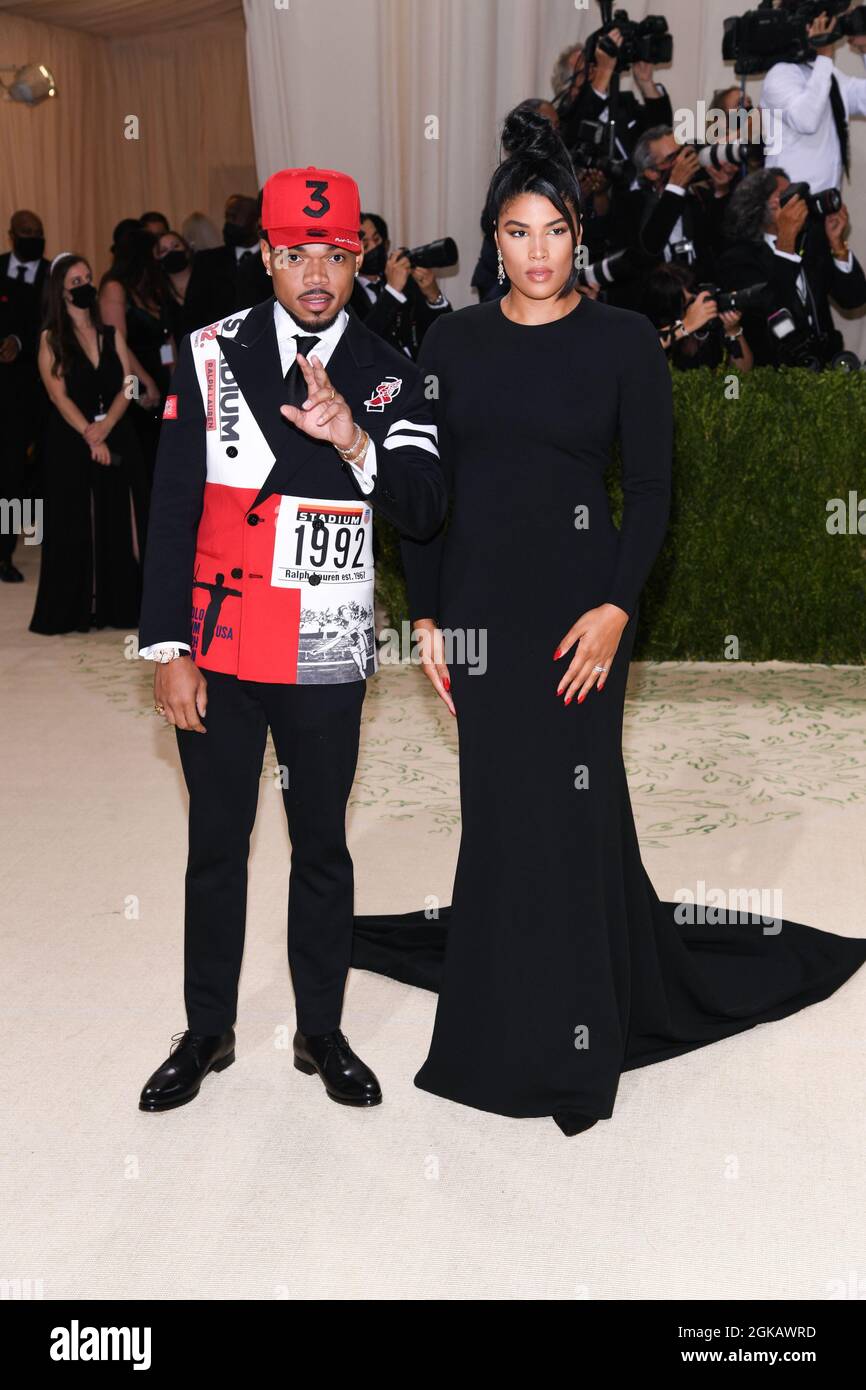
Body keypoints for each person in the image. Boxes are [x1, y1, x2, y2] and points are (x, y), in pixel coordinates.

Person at [351, 107, 866, 1136]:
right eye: (514, 233)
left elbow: (656, 498)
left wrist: (616, 610)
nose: (534, 253)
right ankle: (506, 996)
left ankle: (582, 1017)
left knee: (577, 803)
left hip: (582, 609)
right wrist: (427, 619)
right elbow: (424, 489)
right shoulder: (448, 341)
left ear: (575, 238)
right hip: (483, 613)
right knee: (497, 805)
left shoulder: (624, 339)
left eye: (551, 231)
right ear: (491, 240)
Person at [136, 164, 447, 1114]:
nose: (317, 270)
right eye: (297, 252)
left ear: (357, 262)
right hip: (222, 644)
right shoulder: (207, 352)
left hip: (326, 651)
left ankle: (322, 1032)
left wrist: (358, 439)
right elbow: (177, 502)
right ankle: (208, 1030)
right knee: (214, 844)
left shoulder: (396, 370)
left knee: (322, 846)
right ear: (267, 258)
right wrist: (167, 646)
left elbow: (427, 511)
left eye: (336, 253)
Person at [29, 254, 141, 634]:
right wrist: (90, 434)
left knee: (114, 517)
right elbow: (58, 396)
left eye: (87, 278)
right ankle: (72, 608)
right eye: (75, 281)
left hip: (112, 431)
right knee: (73, 522)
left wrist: (107, 425)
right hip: (69, 439)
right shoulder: (51, 339)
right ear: (60, 290)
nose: (85, 286)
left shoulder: (110, 333)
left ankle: (115, 605)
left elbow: (130, 384)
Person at [718, 167, 866, 367]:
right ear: (759, 207)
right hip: (778, 376)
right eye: (784, 196)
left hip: (828, 367)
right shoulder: (739, 259)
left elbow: (854, 299)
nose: (795, 202)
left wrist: (837, 243)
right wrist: (786, 239)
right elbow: (775, 305)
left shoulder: (811, 241)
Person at [760, 4, 866, 194]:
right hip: (788, 205)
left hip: (825, 206)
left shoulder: (827, 75)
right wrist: (824, 57)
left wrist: (864, 47)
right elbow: (806, 120)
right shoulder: (779, 74)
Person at [0, 209, 50, 582]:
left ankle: (38, 541)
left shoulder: (53, 275)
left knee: (38, 475)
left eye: (37, 232)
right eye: (25, 232)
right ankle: (5, 552)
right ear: (11, 235)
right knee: (10, 475)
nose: (32, 237)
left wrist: (21, 342)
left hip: (46, 392)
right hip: (7, 396)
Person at [350, 212, 451, 357]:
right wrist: (392, 291)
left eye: (377, 239)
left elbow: (445, 332)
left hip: (420, 370)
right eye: (365, 244)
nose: (374, 247)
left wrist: (434, 296)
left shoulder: (404, 278)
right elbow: (360, 343)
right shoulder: (347, 293)